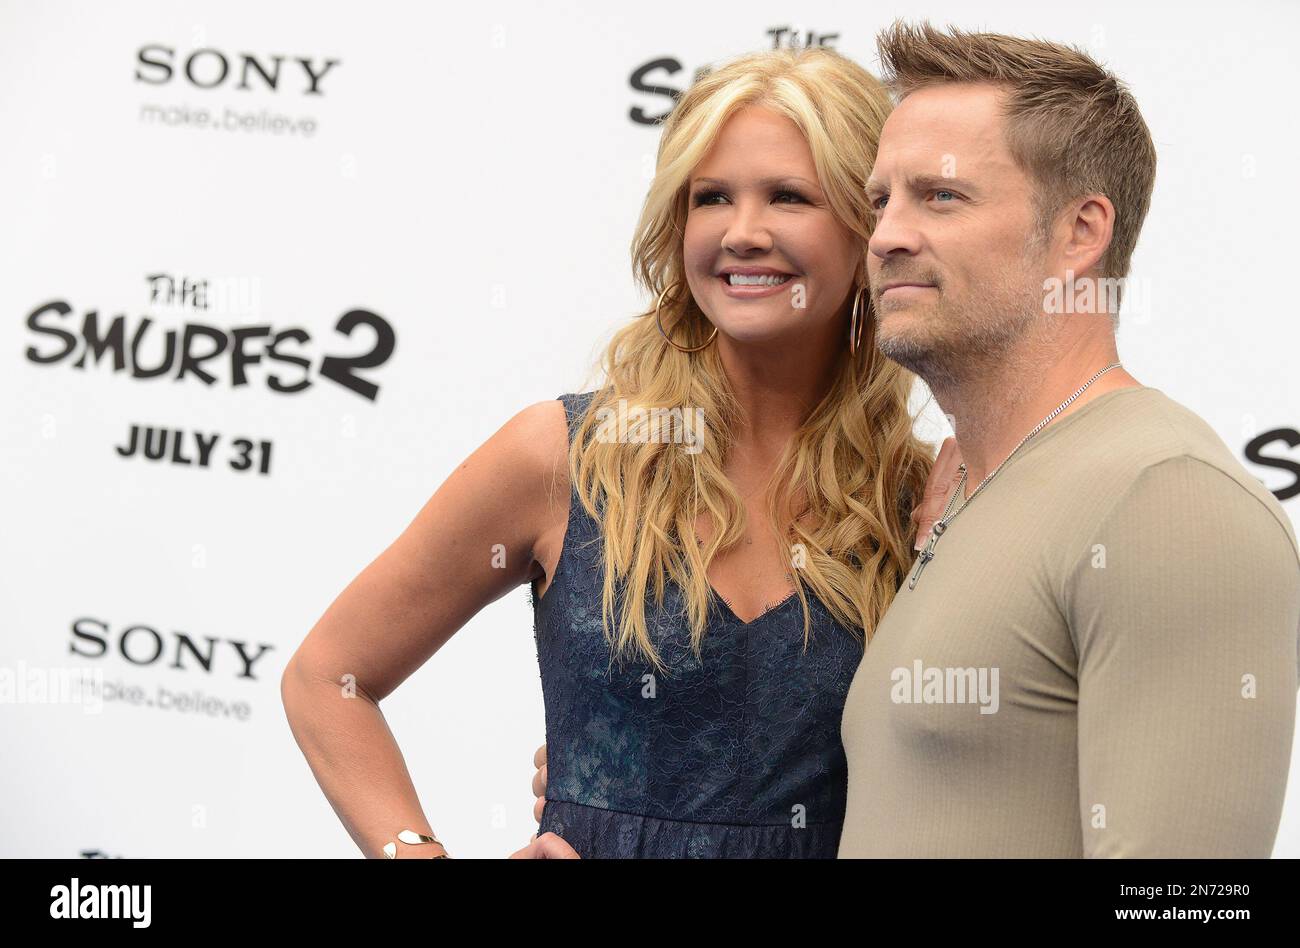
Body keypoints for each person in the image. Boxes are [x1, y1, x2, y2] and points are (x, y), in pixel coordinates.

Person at [281, 45, 953, 859]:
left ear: (866, 228)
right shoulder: (566, 455)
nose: (743, 232)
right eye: (711, 198)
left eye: (788, 196)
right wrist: (416, 853)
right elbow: (328, 678)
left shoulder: (917, 495)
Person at [832, 21, 1300, 857]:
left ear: (1081, 233)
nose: (886, 236)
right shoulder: (964, 493)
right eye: (881, 200)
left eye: (940, 196)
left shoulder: (1167, 497)